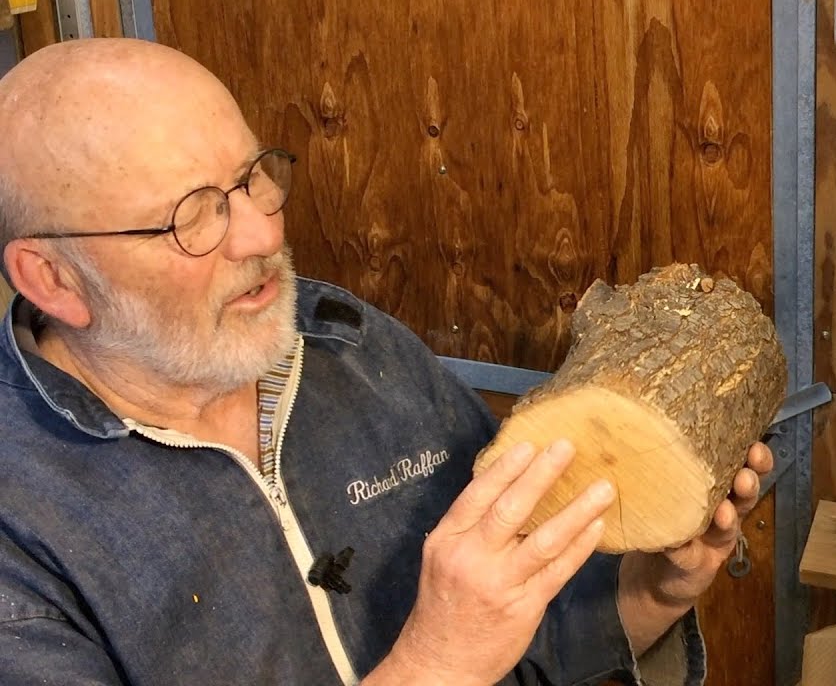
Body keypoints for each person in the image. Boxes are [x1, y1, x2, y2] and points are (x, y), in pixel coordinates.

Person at [0, 38, 773, 685]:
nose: (262, 236)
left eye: (251, 177)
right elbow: (461, 655)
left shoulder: (349, 345)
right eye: (193, 215)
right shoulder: (22, 540)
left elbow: (533, 650)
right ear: (54, 278)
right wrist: (434, 662)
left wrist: (655, 590)